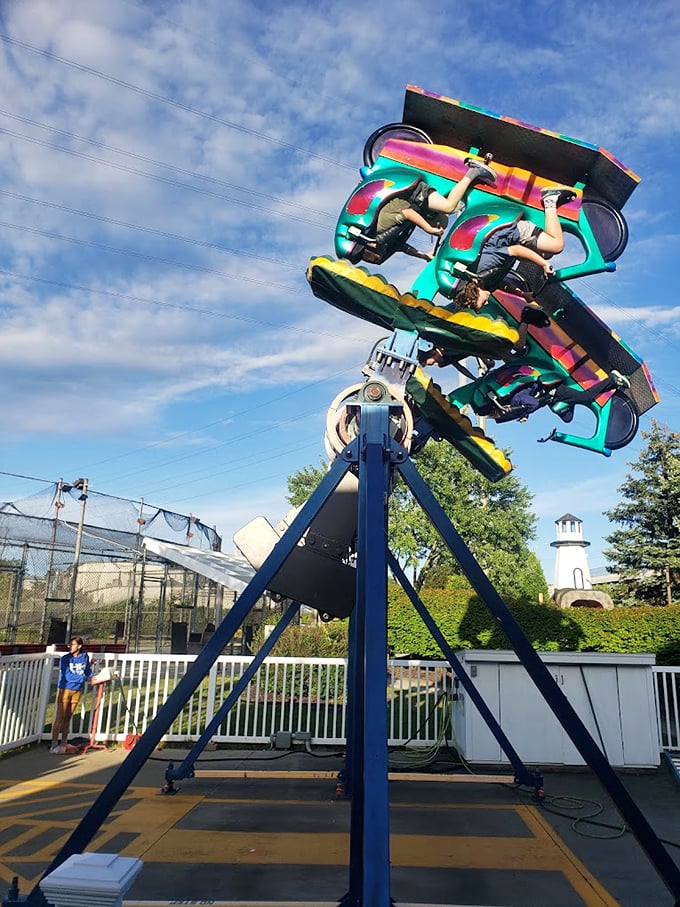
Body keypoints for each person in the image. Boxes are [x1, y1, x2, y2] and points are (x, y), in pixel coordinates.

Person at [360, 157, 496, 265]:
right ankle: (467, 184)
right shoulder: (386, 238)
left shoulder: (381, 228)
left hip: (413, 194)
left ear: (373, 245)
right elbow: (403, 247)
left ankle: (474, 170)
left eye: (382, 251)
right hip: (417, 204)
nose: (385, 250)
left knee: (448, 206)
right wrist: (424, 255)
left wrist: (429, 229)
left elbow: (408, 213)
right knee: (443, 221)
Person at [474, 186, 577, 280]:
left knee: (556, 245)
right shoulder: (485, 283)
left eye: (482, 301)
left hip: (507, 234)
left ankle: (549, 200)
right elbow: (503, 284)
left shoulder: (483, 272)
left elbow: (516, 250)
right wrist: (521, 293)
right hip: (510, 240)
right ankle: (552, 208)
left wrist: (544, 264)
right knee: (546, 254)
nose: (486, 301)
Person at [487, 371, 631, 424]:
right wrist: (524, 414)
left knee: (585, 397)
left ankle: (612, 380)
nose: (499, 414)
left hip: (553, 390)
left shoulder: (515, 401)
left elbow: (532, 403)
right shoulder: (516, 404)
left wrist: (523, 411)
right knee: (567, 418)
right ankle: (612, 385)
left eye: (496, 413)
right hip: (550, 397)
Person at [50, 636, 93, 754]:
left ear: (79, 646)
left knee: (68, 717)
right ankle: (54, 744)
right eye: (69, 645)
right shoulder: (65, 659)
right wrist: (84, 678)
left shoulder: (84, 657)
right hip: (65, 689)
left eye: (72, 645)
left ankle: (64, 742)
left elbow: (87, 670)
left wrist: (93, 677)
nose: (70, 647)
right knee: (60, 717)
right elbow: (68, 675)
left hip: (77, 690)